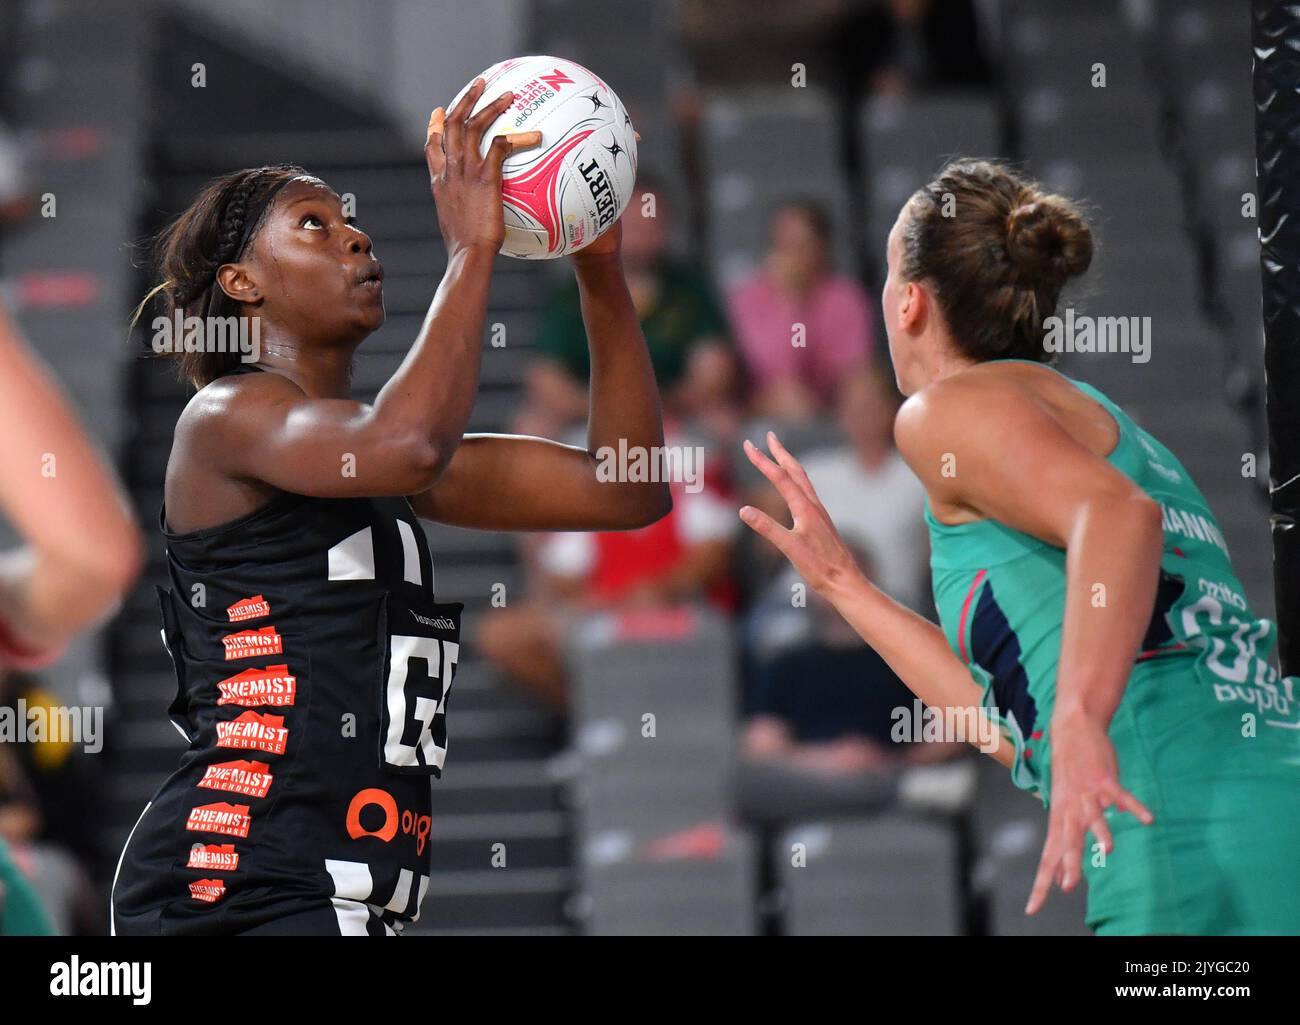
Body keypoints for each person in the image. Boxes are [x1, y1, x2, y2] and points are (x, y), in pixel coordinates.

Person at [111, 80, 671, 936]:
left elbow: (627, 486)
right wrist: (471, 250)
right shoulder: (225, 419)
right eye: (315, 226)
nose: (356, 235)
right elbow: (406, 440)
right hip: (231, 884)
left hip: (337, 892)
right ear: (241, 283)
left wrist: (598, 270)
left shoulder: (382, 458)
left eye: (350, 221)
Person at [738, 158, 1300, 935]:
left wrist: (1078, 719)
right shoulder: (1094, 418)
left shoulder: (942, 413)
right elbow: (1011, 726)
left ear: (909, 304)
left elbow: (1117, 518)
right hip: (1263, 789)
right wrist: (843, 585)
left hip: (1182, 822)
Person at [517, 174, 737, 440]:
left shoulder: (689, 289)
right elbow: (545, 377)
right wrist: (609, 410)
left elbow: (714, 370)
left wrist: (661, 404)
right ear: (609, 226)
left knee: (725, 421)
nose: (640, 236)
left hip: (675, 412)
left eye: (651, 226)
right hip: (588, 413)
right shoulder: (572, 293)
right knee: (530, 428)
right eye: (632, 225)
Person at [728, 200, 875, 420]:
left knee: (865, 389)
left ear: (822, 248)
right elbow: (780, 370)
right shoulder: (748, 299)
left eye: (801, 246)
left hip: (828, 399)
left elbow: (854, 368)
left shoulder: (846, 297)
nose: (793, 257)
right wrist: (791, 303)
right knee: (790, 396)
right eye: (785, 246)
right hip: (758, 400)